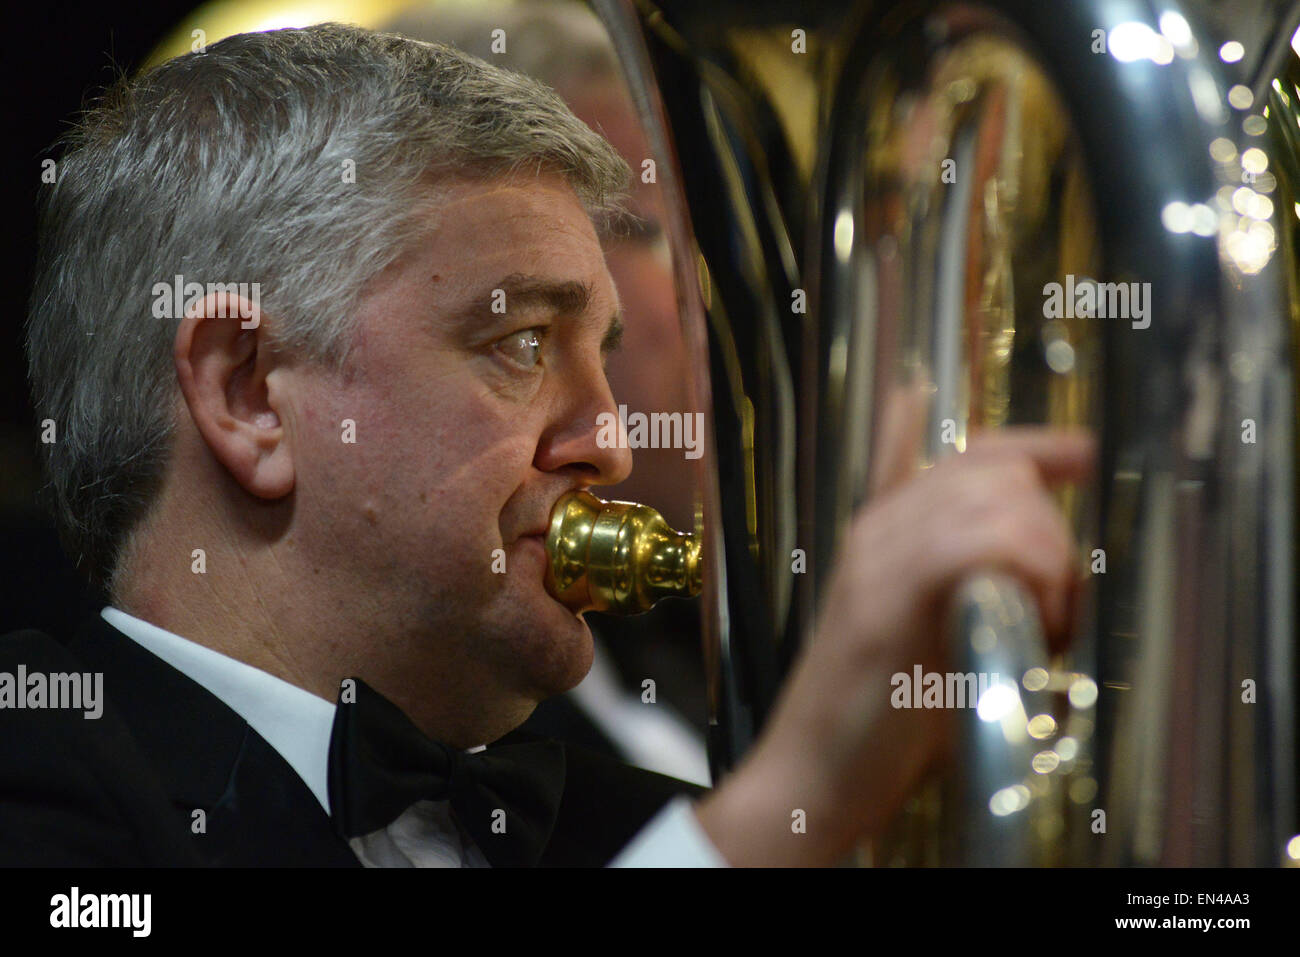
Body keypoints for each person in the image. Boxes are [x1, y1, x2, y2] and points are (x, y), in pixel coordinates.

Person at [2, 22, 1092, 867]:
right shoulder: (40, 786)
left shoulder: (638, 827)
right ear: (248, 397)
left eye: (603, 354)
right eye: (520, 342)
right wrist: (787, 802)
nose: (612, 446)